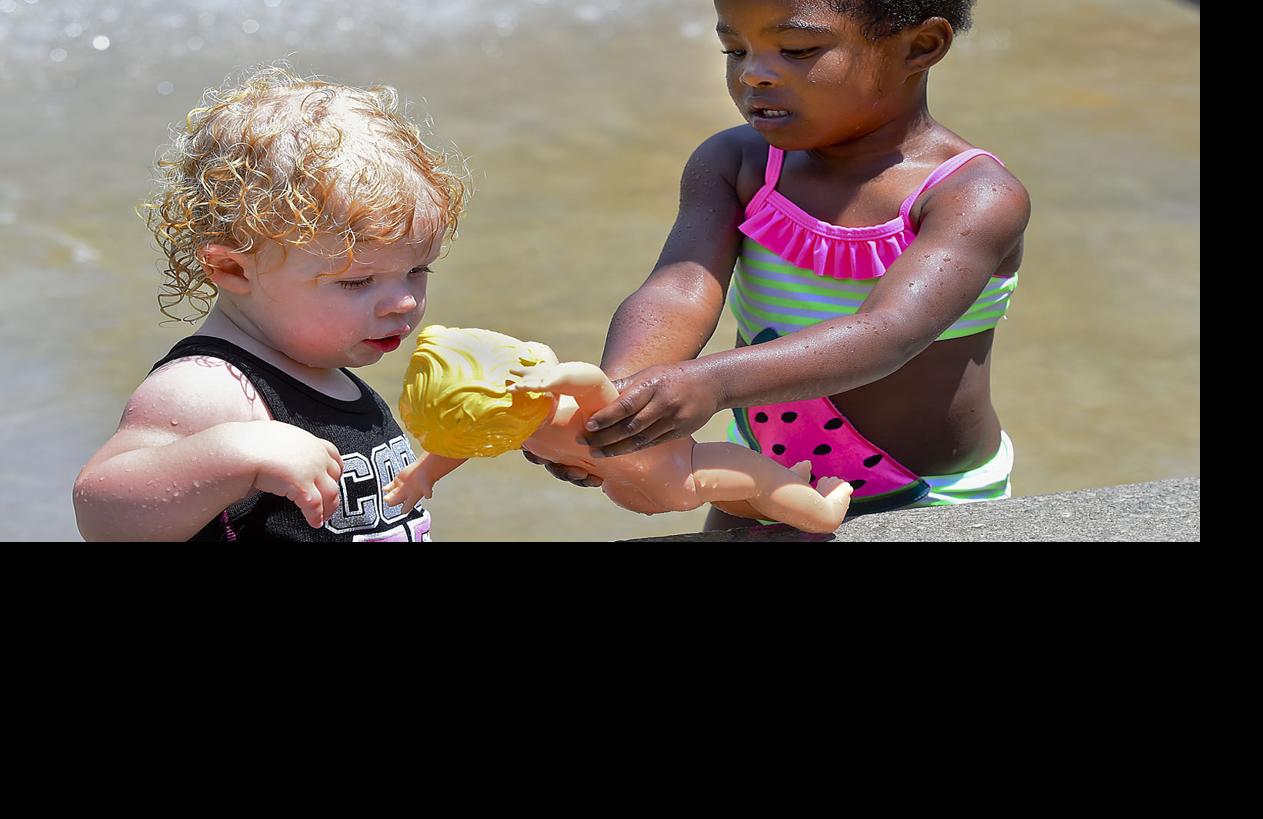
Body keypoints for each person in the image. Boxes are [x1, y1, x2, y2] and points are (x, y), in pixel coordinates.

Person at [537, 0, 1031, 530]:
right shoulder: (739, 163)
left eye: (796, 50)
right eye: (735, 49)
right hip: (756, 481)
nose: (753, 72)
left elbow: (886, 334)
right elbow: (680, 288)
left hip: (935, 496)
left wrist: (710, 383)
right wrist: (617, 403)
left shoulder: (973, 196)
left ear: (920, 46)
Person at [72, 65, 467, 541]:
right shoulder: (207, 389)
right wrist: (235, 453)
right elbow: (102, 511)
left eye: (417, 271)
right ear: (234, 270)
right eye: (356, 281)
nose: (403, 301)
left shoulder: (326, 374)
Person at [383, 326, 855, 535]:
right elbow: (592, 377)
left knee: (726, 493)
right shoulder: (577, 410)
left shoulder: (516, 433)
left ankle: (771, 506)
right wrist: (552, 378)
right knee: (757, 475)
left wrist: (423, 474)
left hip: (626, 493)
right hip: (680, 473)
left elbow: (462, 445)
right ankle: (820, 510)